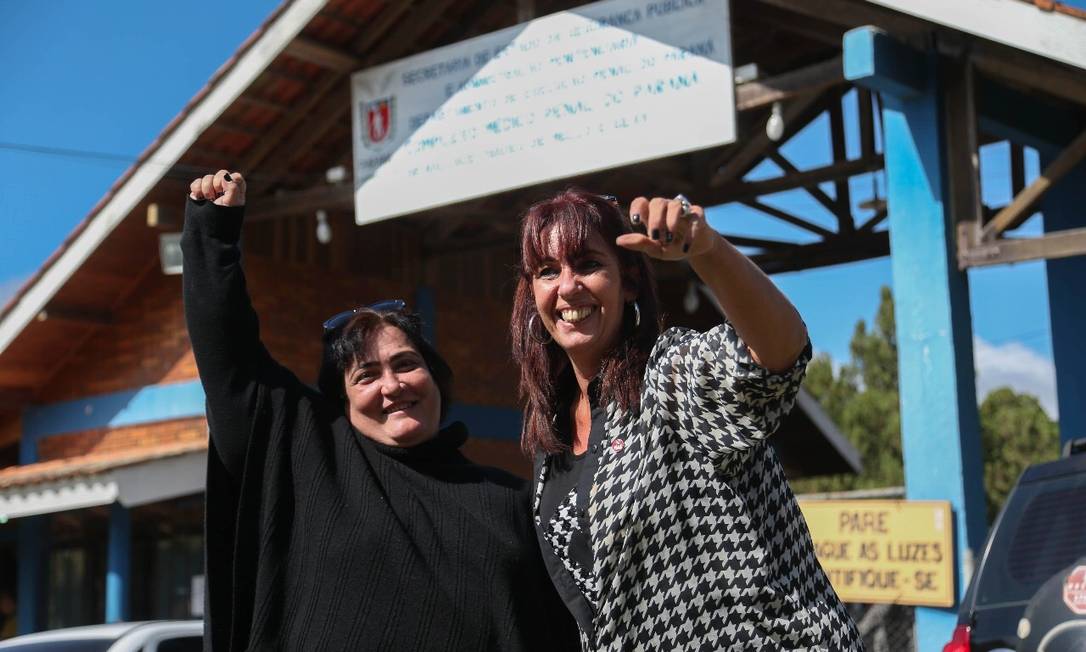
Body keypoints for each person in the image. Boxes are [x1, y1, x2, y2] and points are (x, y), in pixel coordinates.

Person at [183, 170, 578, 651]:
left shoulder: (513, 502)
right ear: (341, 401)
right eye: (366, 376)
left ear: (435, 378)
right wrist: (213, 233)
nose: (392, 386)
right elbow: (230, 355)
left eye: (406, 364)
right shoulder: (311, 457)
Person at [509, 190, 863, 650]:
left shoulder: (669, 375)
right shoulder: (552, 434)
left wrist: (707, 249)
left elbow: (778, 355)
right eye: (548, 271)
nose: (568, 286)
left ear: (628, 282)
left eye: (588, 264)